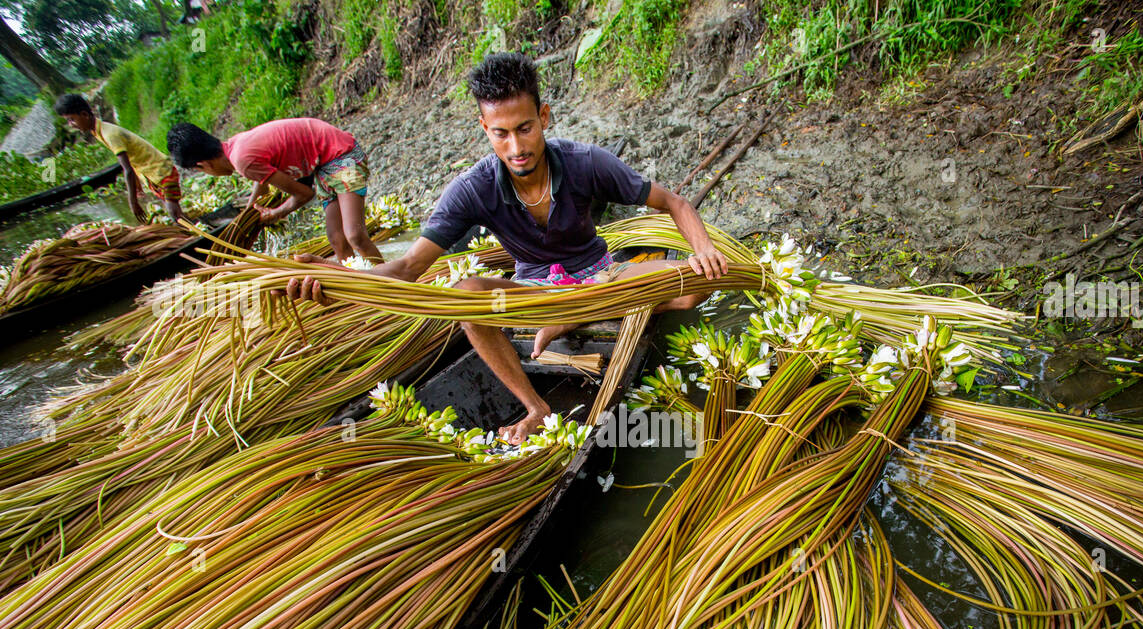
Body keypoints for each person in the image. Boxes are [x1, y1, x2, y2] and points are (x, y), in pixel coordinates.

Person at [285, 52, 727, 443]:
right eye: (500, 134)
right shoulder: (472, 189)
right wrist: (337, 277)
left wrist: (705, 249)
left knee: (698, 282)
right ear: (484, 128)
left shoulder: (584, 161)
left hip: (601, 277)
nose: (516, 147)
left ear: (544, 117)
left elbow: (673, 202)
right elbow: (406, 268)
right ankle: (536, 406)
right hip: (533, 294)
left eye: (525, 128)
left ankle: (571, 314)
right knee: (466, 296)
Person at [166, 117, 383, 264]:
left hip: (341, 156)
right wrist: (251, 210)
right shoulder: (235, 147)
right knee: (337, 239)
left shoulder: (242, 160)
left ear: (203, 166)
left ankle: (392, 283)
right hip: (323, 166)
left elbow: (304, 194)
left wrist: (275, 214)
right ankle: (360, 282)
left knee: (354, 235)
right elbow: (262, 180)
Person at [54, 94, 184, 223]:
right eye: (68, 121)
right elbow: (132, 160)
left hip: (161, 171)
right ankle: (192, 229)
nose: (71, 125)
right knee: (173, 211)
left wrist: (132, 202)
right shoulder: (99, 131)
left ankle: (195, 232)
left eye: (72, 119)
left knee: (174, 212)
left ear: (84, 115)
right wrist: (138, 186)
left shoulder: (109, 134)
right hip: (153, 173)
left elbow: (127, 170)